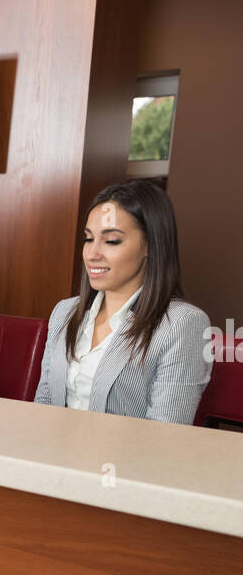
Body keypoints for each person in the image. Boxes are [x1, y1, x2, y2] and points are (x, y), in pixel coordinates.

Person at [34, 180, 211, 421]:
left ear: (150, 244)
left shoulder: (183, 324)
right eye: (88, 239)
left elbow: (166, 434)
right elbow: (43, 404)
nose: (92, 254)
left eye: (111, 241)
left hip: (122, 459)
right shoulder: (65, 312)